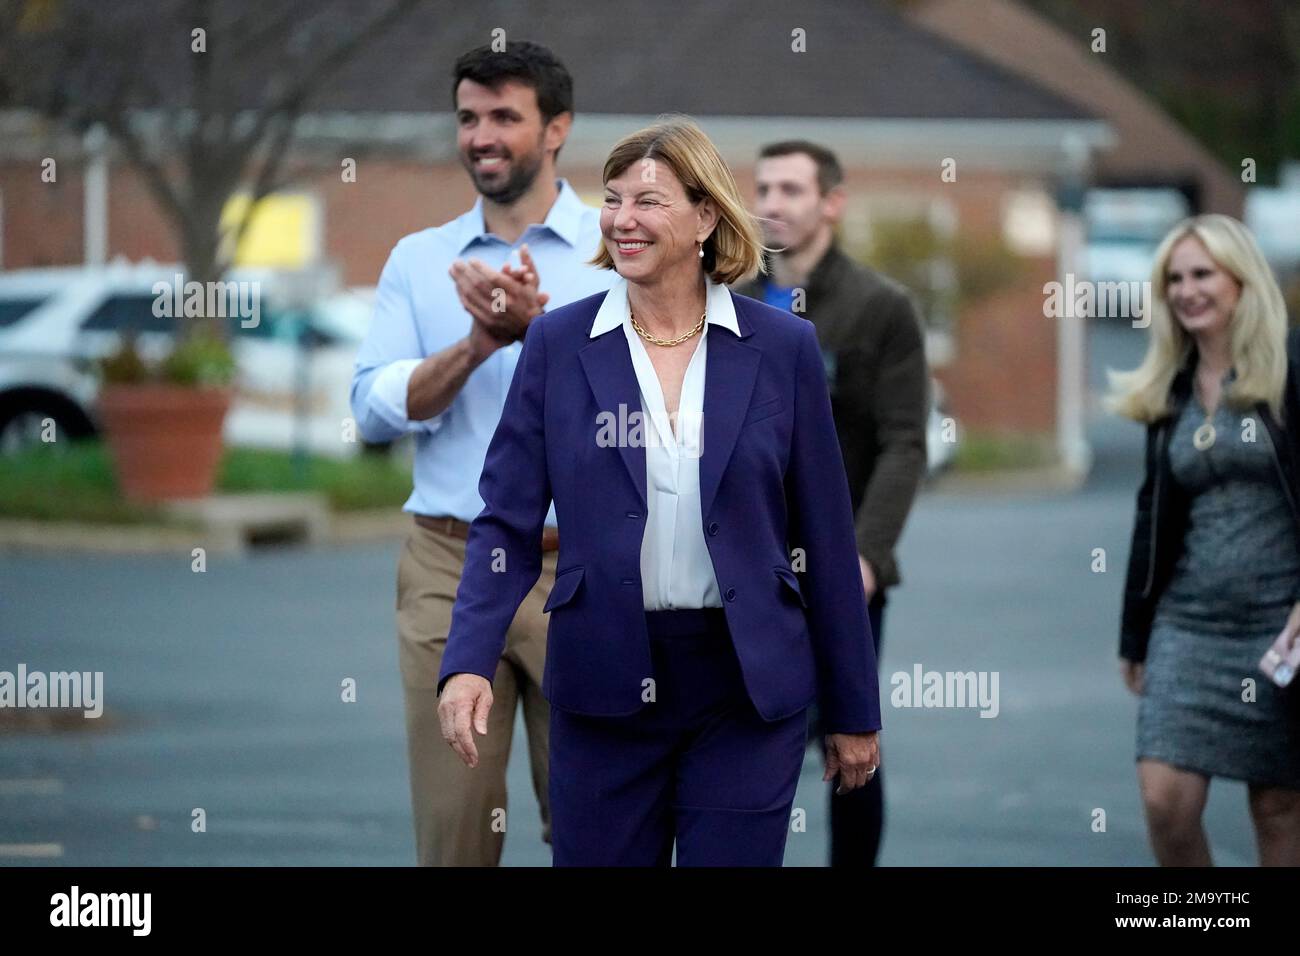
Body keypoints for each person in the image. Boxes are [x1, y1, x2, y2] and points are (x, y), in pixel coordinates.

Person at [436, 116, 882, 866]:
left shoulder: (783, 348)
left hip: (746, 688)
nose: (623, 219)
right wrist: (468, 660)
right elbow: (506, 522)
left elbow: (827, 539)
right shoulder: (558, 344)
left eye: (648, 201)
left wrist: (853, 707)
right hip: (602, 680)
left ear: (706, 217)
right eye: (613, 200)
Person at [349, 40, 615, 867]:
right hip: (449, 563)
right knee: (454, 832)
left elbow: (650, 416)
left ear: (557, 128)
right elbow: (372, 412)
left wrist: (537, 334)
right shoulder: (421, 259)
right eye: (468, 118)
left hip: (588, 568)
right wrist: (475, 346)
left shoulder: (619, 251)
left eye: (505, 116)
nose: (482, 136)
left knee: (595, 828)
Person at [734, 141, 927, 867]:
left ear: (832, 202)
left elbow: (904, 443)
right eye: (763, 188)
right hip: (742, 561)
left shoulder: (881, 308)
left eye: (790, 189)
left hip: (840, 566)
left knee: (848, 742)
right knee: (742, 735)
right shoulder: (728, 299)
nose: (771, 204)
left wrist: (865, 557)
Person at [1111, 213, 1300, 866]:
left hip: (1282, 629)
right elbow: (1152, 516)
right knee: (1165, 800)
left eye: (1202, 274)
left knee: (1279, 808)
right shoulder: (1171, 388)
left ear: (1241, 281)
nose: (1187, 290)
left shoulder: (1292, 370)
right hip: (1188, 626)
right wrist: (1135, 632)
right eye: (1175, 279)